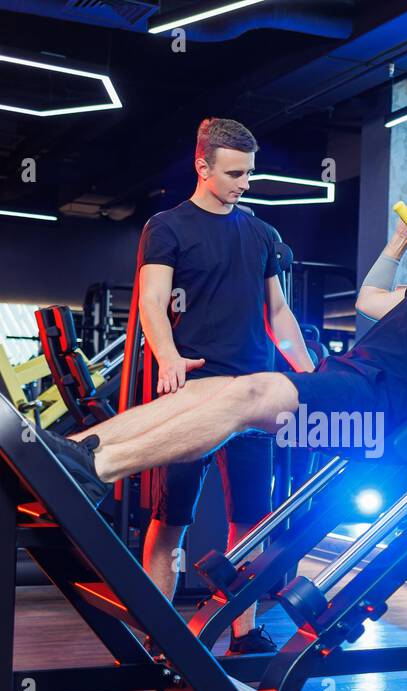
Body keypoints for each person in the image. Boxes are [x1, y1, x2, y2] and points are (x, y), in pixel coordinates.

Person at [45, 179, 407, 592]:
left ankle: (98, 470)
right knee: (204, 390)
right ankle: (78, 451)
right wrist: (399, 243)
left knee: (250, 393)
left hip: (375, 408)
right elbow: (369, 298)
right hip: (348, 382)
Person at [127, 117, 315, 655]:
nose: (244, 183)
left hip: (254, 394)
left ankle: (244, 631)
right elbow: (152, 305)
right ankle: (157, 637)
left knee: (250, 521)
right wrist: (167, 358)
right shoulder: (166, 227)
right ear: (202, 166)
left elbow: (279, 313)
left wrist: (307, 373)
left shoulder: (259, 232)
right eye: (234, 173)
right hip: (195, 394)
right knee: (171, 518)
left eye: (249, 173)